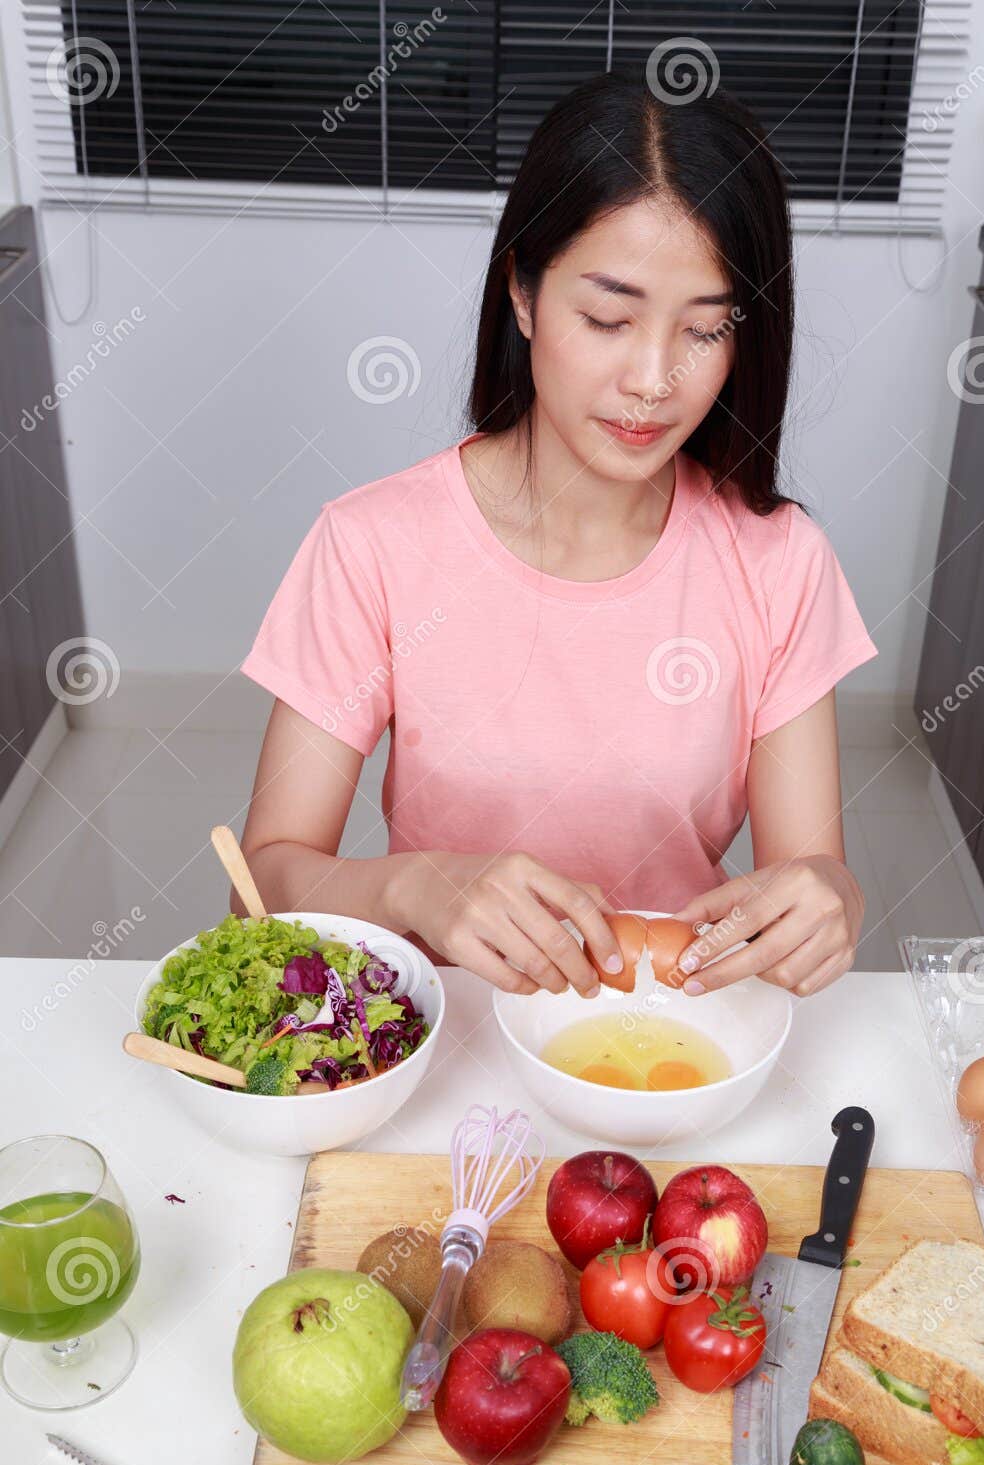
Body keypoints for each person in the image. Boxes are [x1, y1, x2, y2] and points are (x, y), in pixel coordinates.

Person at [236, 70, 876, 1002]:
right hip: (441, 1035)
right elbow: (256, 893)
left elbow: (812, 880)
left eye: (704, 331)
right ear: (525, 297)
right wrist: (412, 883)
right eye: (608, 318)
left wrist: (833, 900)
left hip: (672, 1040)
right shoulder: (370, 546)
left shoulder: (779, 563)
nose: (653, 380)